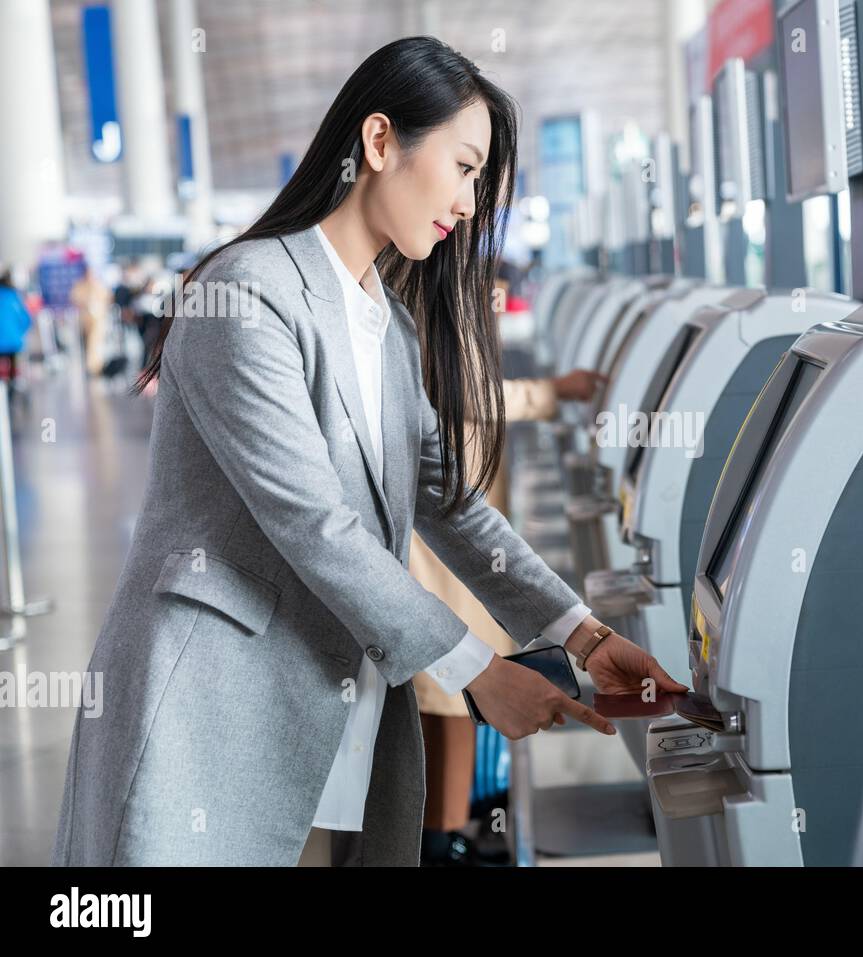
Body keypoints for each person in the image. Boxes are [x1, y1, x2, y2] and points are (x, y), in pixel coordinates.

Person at [51, 36, 685, 868]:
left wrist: (583, 635)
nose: (466, 203)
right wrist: (479, 670)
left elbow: (446, 501)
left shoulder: (386, 322)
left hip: (332, 724)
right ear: (379, 142)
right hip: (215, 719)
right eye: (463, 168)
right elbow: (316, 525)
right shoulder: (246, 294)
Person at [411, 366, 604, 866]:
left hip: (460, 508)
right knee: (448, 684)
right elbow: (464, 394)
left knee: (458, 677)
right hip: (442, 522)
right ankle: (441, 838)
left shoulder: (451, 291)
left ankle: (448, 830)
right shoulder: (433, 289)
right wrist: (551, 392)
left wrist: (585, 635)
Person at [0, 268, 32, 386]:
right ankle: (13, 383)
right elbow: (26, 320)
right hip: (13, 342)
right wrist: (18, 333)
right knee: (13, 367)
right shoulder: (14, 297)